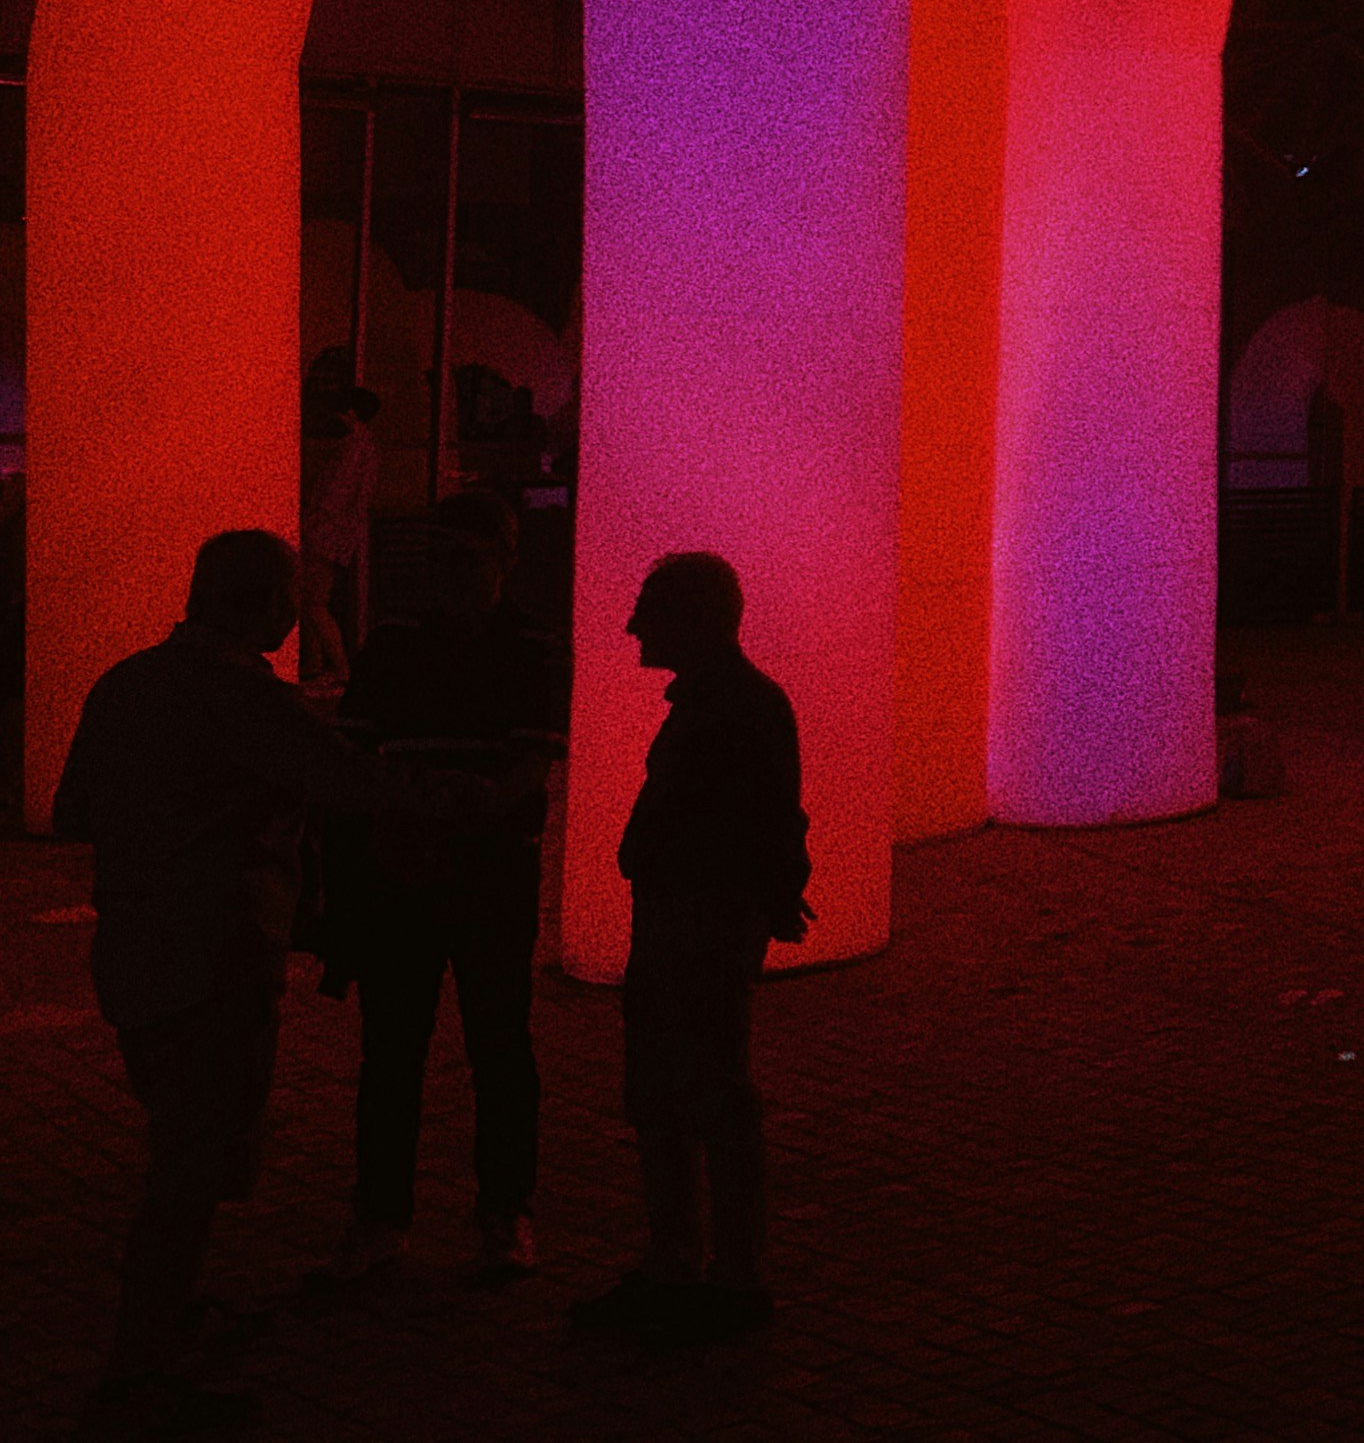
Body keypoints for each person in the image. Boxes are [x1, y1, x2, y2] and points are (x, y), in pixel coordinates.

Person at [52, 529, 534, 1435]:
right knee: (193, 1169)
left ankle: (173, 1313)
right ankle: (140, 1367)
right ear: (268, 605)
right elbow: (355, 784)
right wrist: (480, 802)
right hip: (223, 950)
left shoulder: (125, 685)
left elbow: (75, 808)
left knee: (177, 1145)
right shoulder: (246, 702)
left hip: (133, 950)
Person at [319, 492, 567, 1286]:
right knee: (412, 1049)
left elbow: (372, 762)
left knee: (480, 1047)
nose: (453, 576)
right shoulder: (445, 644)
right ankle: (430, 1215)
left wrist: (408, 819)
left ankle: (471, 1213)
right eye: (445, 560)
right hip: (456, 870)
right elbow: (508, 773)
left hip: (455, 872)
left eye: (466, 559)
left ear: (502, 561)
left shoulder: (521, 647)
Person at [571, 552, 813, 1348]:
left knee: (692, 1090)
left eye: (650, 611)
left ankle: (702, 1266)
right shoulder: (743, 704)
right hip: (694, 919)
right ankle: (712, 1269)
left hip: (694, 922)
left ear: (693, 622)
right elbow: (776, 821)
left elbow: (763, 821)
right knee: (695, 1090)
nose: (634, 626)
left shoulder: (728, 709)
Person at [298, 384, 381, 693]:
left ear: (349, 413)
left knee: (313, 601)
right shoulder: (365, 447)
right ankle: (316, 665)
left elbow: (335, 495)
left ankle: (338, 667)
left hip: (327, 532)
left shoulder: (353, 448)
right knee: (313, 599)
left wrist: (309, 519)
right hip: (336, 532)